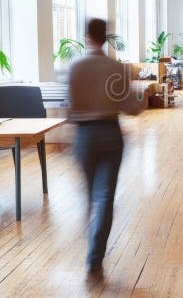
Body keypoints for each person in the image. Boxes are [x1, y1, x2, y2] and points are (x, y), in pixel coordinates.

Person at [69, 18, 143, 281]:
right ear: (106, 37)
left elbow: (70, 108)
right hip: (111, 134)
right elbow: (132, 108)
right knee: (106, 199)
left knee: (89, 197)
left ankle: (90, 238)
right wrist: (140, 99)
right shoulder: (116, 68)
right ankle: (95, 259)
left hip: (84, 136)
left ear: (87, 36)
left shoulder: (74, 67)